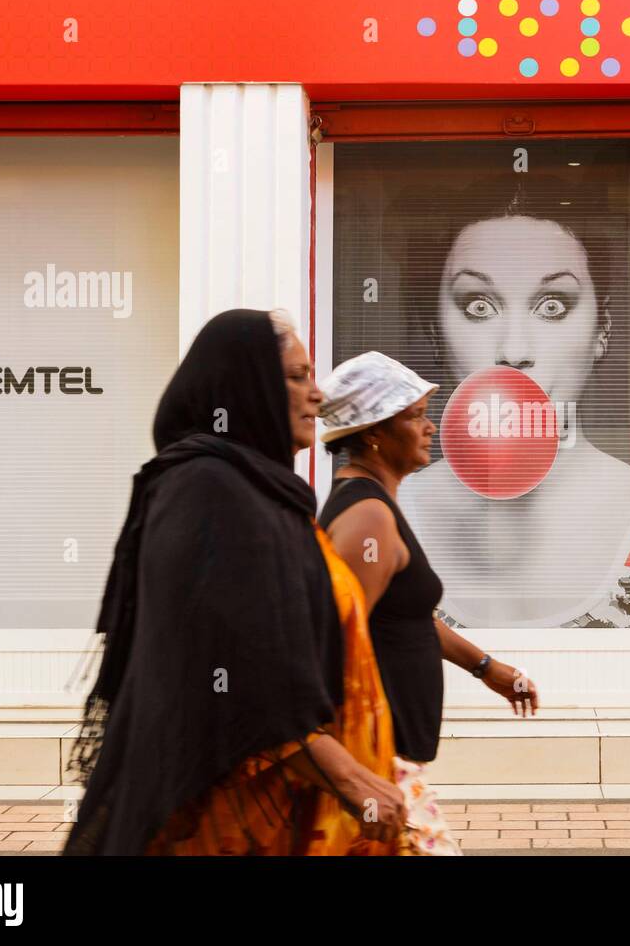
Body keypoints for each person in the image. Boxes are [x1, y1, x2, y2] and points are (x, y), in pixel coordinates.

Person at [64, 309, 405, 856]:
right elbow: (229, 664)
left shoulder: (266, 493)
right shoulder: (206, 488)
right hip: (222, 817)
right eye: (296, 377)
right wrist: (349, 777)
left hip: (290, 809)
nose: (316, 395)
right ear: (244, 387)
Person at [399, 179, 630, 630]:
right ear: (434, 333)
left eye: (552, 306)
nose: (513, 350)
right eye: (477, 306)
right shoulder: (372, 520)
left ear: (602, 329)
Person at [317, 350, 540, 856]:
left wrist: (486, 668)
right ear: (374, 431)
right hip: (374, 762)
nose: (431, 427)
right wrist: (350, 772)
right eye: (415, 415)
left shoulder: (376, 505)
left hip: (386, 759)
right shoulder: (367, 518)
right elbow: (334, 641)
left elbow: (404, 616)